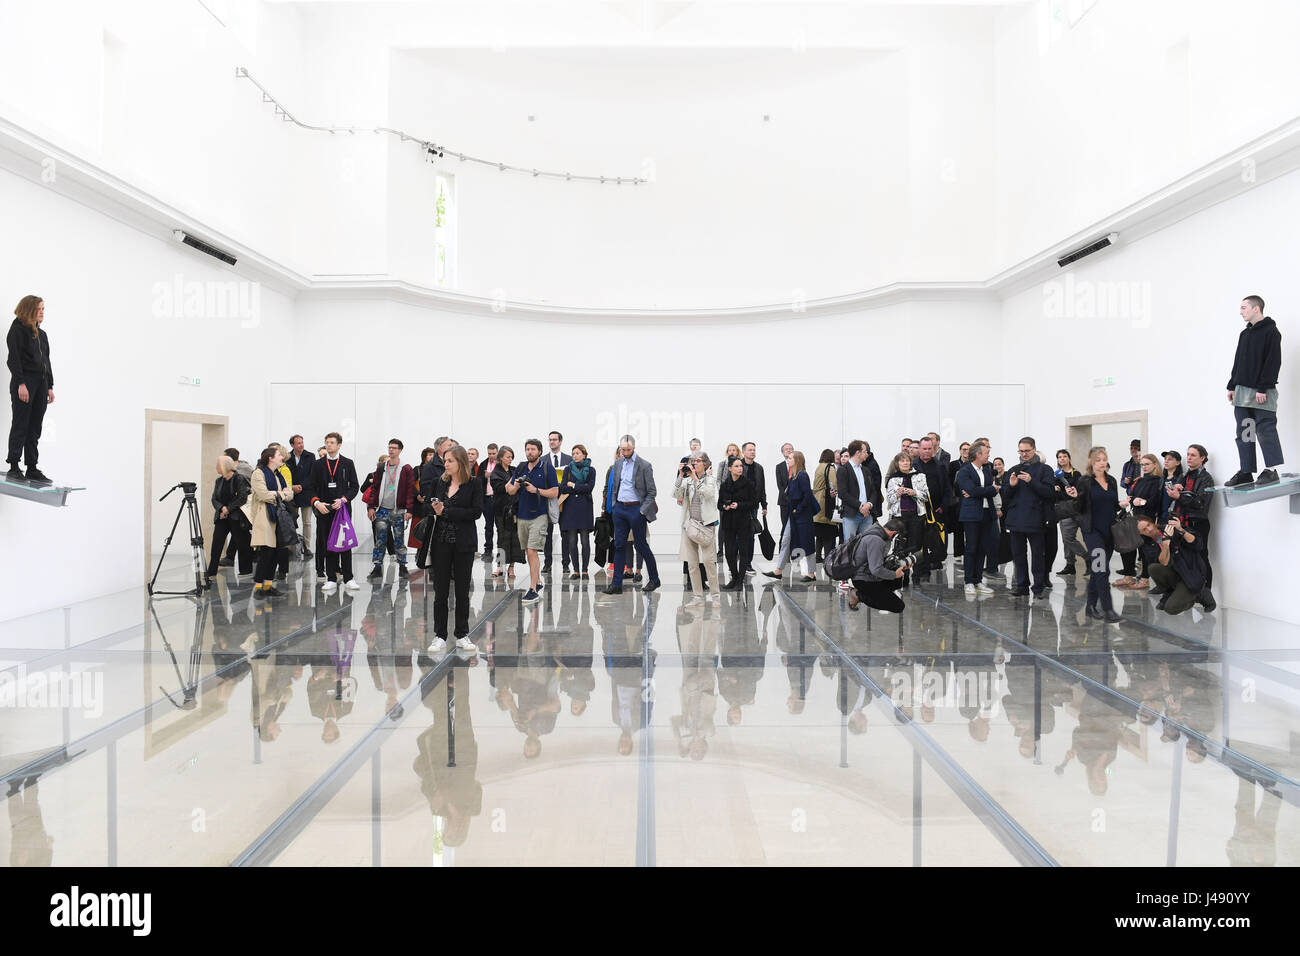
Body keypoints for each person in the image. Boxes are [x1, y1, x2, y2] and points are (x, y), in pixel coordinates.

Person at [427, 444, 484, 654]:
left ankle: (462, 634)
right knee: (440, 591)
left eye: (450, 460)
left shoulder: (474, 483)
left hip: (463, 543)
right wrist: (434, 509)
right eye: (445, 460)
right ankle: (439, 635)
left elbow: (476, 512)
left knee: (462, 590)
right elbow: (426, 506)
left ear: (460, 462)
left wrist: (447, 511)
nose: (446, 464)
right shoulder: (438, 483)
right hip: (440, 541)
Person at [1225, 294, 1284, 487]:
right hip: (1242, 393)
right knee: (1245, 431)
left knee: (1265, 430)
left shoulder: (1271, 332)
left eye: (1244, 308)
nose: (1241, 312)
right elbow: (1238, 361)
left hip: (1261, 392)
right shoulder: (1245, 334)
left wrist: (1263, 387)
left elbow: (1273, 362)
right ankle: (1246, 470)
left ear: (1256, 308)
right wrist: (1232, 385)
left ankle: (1271, 470)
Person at [1063, 447, 1127, 623]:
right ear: (1091, 462)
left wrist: (1122, 504)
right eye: (1097, 459)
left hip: (1109, 532)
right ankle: (1107, 610)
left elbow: (1113, 505)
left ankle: (1090, 606)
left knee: (1099, 570)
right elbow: (1080, 506)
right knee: (1101, 569)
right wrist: (1076, 496)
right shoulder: (1085, 481)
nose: (1101, 462)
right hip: (1092, 532)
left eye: (1104, 459)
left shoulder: (1112, 481)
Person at [603, 435, 661, 595]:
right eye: (623, 449)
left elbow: (652, 492)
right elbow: (614, 486)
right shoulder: (618, 463)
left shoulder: (644, 465)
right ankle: (616, 584)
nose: (625, 452)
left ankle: (655, 579)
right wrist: (614, 506)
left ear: (634, 448)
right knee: (619, 545)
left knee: (641, 545)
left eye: (628, 449)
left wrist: (642, 511)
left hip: (636, 509)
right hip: (620, 509)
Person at [6, 295, 54, 483]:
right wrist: (20, 383)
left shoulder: (42, 335)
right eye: (39, 308)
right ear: (29, 309)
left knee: (35, 426)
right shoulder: (17, 329)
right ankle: (14, 467)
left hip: (41, 384)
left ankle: (32, 467)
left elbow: (46, 362)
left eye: (43, 309)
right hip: (25, 383)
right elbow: (13, 359)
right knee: (21, 423)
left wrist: (49, 386)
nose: (42, 312)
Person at [506, 438, 559, 604]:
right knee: (529, 552)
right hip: (522, 515)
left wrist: (536, 490)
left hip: (540, 515)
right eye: (527, 449)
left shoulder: (546, 468)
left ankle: (533, 589)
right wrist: (516, 485)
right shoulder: (521, 467)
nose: (530, 452)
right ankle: (537, 581)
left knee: (531, 551)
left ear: (539, 452)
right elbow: (510, 490)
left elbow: (555, 492)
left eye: (533, 449)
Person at [1002, 437, 1055, 598]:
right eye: (1021, 451)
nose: (1024, 454)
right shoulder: (1013, 469)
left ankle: (1038, 587)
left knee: (1038, 555)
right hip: (1016, 519)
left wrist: (1032, 481)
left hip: (1036, 519)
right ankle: (1021, 585)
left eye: (1027, 451)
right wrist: (1011, 485)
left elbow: (1049, 493)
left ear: (1034, 450)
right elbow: (1005, 496)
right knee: (1018, 555)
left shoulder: (1045, 469)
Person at [311, 431, 361, 592]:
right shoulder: (318, 465)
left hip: (342, 509)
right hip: (325, 510)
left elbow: (354, 486)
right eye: (327, 442)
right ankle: (331, 578)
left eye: (332, 442)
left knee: (345, 543)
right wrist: (317, 502)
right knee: (328, 543)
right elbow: (311, 488)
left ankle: (349, 578)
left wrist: (344, 499)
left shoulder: (347, 463)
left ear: (339, 445)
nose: (329, 445)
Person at [1137, 514, 1215, 614]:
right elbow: (1163, 562)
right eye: (1144, 530)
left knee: (1171, 609)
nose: (1149, 529)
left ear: (1152, 522)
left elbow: (1198, 545)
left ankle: (1200, 595)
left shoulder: (1171, 527)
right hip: (1175, 573)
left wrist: (1181, 530)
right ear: (1141, 533)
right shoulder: (1147, 544)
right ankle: (1170, 593)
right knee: (1153, 568)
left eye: (1148, 525)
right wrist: (1166, 543)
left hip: (1191, 573)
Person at [1168, 443, 1217, 596]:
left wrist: (1181, 495)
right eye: (1188, 454)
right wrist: (1176, 491)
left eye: (1193, 455)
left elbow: (1201, 504)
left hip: (1198, 523)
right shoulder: (1184, 476)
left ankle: (1206, 593)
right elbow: (1181, 498)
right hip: (1182, 522)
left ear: (1202, 458)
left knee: (1201, 557)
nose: (1188, 458)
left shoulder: (1206, 478)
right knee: (1179, 555)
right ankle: (1184, 591)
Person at [365, 438, 416, 581]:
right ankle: (377, 567)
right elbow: (374, 488)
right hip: (382, 509)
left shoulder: (406, 468)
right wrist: (371, 507)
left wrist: (409, 510)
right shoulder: (382, 467)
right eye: (389, 447)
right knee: (380, 539)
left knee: (399, 540)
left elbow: (410, 490)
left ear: (400, 450)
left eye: (394, 448)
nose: (391, 450)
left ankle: (402, 567)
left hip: (398, 510)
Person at [764, 451, 817, 583]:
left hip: (802, 516)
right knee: (786, 540)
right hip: (793, 516)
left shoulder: (802, 476)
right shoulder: (793, 477)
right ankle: (779, 570)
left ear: (797, 460)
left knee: (807, 543)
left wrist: (797, 509)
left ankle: (811, 573)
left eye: (790, 458)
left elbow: (807, 496)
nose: (788, 459)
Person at [954, 439, 999, 596]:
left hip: (987, 513)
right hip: (972, 515)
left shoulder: (986, 470)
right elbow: (971, 490)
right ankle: (969, 581)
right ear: (978, 454)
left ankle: (978, 580)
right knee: (971, 547)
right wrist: (989, 490)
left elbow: (976, 491)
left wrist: (981, 490)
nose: (988, 456)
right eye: (986, 453)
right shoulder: (965, 472)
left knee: (982, 548)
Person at [249, 445, 294, 598]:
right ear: (270, 458)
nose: (282, 457)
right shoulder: (258, 473)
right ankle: (258, 587)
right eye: (279, 455)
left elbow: (290, 494)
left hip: (277, 517)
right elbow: (263, 495)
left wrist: (277, 494)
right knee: (266, 553)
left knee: (276, 553)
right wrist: (280, 494)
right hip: (265, 517)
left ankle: (268, 586)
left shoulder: (277, 474)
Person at [674, 450, 719, 603]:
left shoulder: (711, 479)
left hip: (707, 525)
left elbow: (708, 494)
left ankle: (715, 595)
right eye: (692, 461)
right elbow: (676, 494)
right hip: (690, 525)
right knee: (692, 564)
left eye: (698, 461)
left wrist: (695, 478)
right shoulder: (686, 480)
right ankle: (698, 596)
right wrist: (680, 476)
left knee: (708, 562)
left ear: (705, 464)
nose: (694, 464)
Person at [1120, 453, 1164, 591]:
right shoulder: (1139, 480)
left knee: (1145, 550)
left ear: (1155, 464)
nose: (1144, 467)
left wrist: (1142, 502)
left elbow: (1156, 501)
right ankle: (1128, 575)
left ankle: (1145, 578)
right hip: (1135, 518)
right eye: (1142, 464)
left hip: (1148, 519)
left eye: (1147, 464)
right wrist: (1133, 500)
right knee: (1127, 546)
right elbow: (1132, 496)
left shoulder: (1158, 481)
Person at [845, 518, 909, 613]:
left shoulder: (875, 532)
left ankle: (877, 594)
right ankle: (857, 595)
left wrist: (898, 566)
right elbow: (876, 570)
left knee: (901, 581)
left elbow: (876, 560)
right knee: (898, 606)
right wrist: (895, 574)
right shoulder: (876, 540)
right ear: (894, 533)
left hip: (869, 575)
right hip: (863, 580)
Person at [885, 451, 929, 578]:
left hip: (917, 516)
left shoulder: (920, 476)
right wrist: (898, 493)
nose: (905, 463)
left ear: (911, 462)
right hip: (900, 517)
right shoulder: (893, 479)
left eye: (907, 461)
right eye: (902, 461)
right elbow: (890, 500)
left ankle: (917, 576)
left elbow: (926, 496)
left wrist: (914, 492)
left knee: (915, 546)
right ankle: (902, 575)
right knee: (900, 547)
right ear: (897, 464)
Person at [208, 454, 252, 581]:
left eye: (218, 465)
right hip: (222, 516)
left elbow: (242, 497)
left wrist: (228, 509)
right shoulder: (219, 481)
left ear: (224, 466)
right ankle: (211, 571)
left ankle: (245, 570)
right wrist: (221, 508)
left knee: (242, 543)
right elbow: (214, 498)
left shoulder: (240, 479)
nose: (216, 467)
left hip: (236, 516)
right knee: (217, 543)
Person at [718, 455, 758, 590]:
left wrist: (739, 505)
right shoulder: (724, 485)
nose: (740, 468)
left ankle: (740, 581)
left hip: (743, 522)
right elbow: (719, 504)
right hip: (728, 522)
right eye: (736, 466)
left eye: (740, 466)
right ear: (730, 468)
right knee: (729, 552)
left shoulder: (748, 484)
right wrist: (725, 506)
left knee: (743, 551)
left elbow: (753, 503)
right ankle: (734, 578)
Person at [913, 436, 950, 579]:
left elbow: (947, 488)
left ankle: (931, 565)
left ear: (933, 449)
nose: (927, 451)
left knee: (933, 541)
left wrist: (943, 506)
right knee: (918, 542)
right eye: (924, 449)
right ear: (919, 449)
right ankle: (920, 571)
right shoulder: (913, 465)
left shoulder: (940, 465)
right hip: (919, 511)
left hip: (936, 511)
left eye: (930, 449)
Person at [559, 443, 597, 579]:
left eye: (578, 453)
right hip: (570, 509)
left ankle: (585, 570)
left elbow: (589, 488)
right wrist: (579, 487)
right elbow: (562, 488)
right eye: (573, 453)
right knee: (572, 541)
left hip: (585, 509)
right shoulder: (568, 469)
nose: (575, 455)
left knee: (585, 541)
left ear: (584, 454)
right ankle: (575, 570)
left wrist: (574, 485)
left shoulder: (591, 470)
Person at [489, 445, 523, 584]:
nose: (510, 459)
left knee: (515, 539)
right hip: (501, 511)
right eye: (508, 457)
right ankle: (500, 566)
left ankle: (511, 567)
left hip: (515, 509)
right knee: (502, 538)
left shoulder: (514, 470)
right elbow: (502, 488)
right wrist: (514, 479)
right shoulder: (495, 473)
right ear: (501, 458)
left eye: (511, 457)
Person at [542, 430, 573, 575]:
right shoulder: (543, 459)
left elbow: (573, 479)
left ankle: (566, 563)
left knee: (565, 534)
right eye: (550, 440)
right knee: (547, 534)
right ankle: (547, 563)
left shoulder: (569, 459)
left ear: (560, 441)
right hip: (548, 500)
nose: (552, 442)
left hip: (564, 500)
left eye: (554, 439)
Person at [1053, 449, 1087, 576]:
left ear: (1069, 458)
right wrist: (1058, 491)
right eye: (1059, 457)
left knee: (1069, 538)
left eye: (1064, 456)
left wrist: (1059, 491)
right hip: (1062, 509)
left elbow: (1074, 493)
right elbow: (1054, 492)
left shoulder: (1076, 474)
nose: (1062, 459)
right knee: (1066, 539)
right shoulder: (1056, 474)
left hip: (1074, 509)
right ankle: (1070, 565)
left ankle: (1087, 557)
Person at [285, 435, 316, 560]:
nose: (301, 445)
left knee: (307, 522)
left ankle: (307, 547)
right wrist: (292, 487)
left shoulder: (310, 456)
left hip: (306, 492)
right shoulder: (287, 457)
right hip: (292, 493)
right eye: (298, 443)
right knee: (291, 522)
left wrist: (301, 486)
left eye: (302, 442)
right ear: (292, 445)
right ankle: (292, 547)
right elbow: (285, 475)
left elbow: (313, 475)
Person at [811, 449, 839, 566]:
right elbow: (833, 485)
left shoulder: (819, 467)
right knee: (829, 533)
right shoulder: (830, 468)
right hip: (825, 503)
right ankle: (828, 559)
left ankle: (817, 557)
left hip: (817, 500)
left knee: (819, 534)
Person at [947, 442, 970, 561]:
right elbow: (950, 482)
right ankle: (957, 554)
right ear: (960, 450)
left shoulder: (973, 464)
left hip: (970, 500)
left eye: (968, 449)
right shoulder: (953, 464)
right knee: (958, 529)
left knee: (970, 530)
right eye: (963, 449)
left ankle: (969, 553)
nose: (965, 451)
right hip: (956, 500)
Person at [480, 443, 499, 559]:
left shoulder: (501, 464)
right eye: (489, 453)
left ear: (497, 452)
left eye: (493, 453)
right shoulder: (483, 464)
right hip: (487, 499)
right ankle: (488, 550)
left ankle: (500, 551)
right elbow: (478, 481)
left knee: (500, 526)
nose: (491, 456)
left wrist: (491, 475)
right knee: (488, 526)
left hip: (498, 499)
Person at [1159, 450, 1184, 522]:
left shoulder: (1181, 479)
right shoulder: (1162, 479)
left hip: (1174, 516)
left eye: (1170, 459)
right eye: (1165, 459)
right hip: (1161, 516)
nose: (1166, 461)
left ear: (1178, 462)